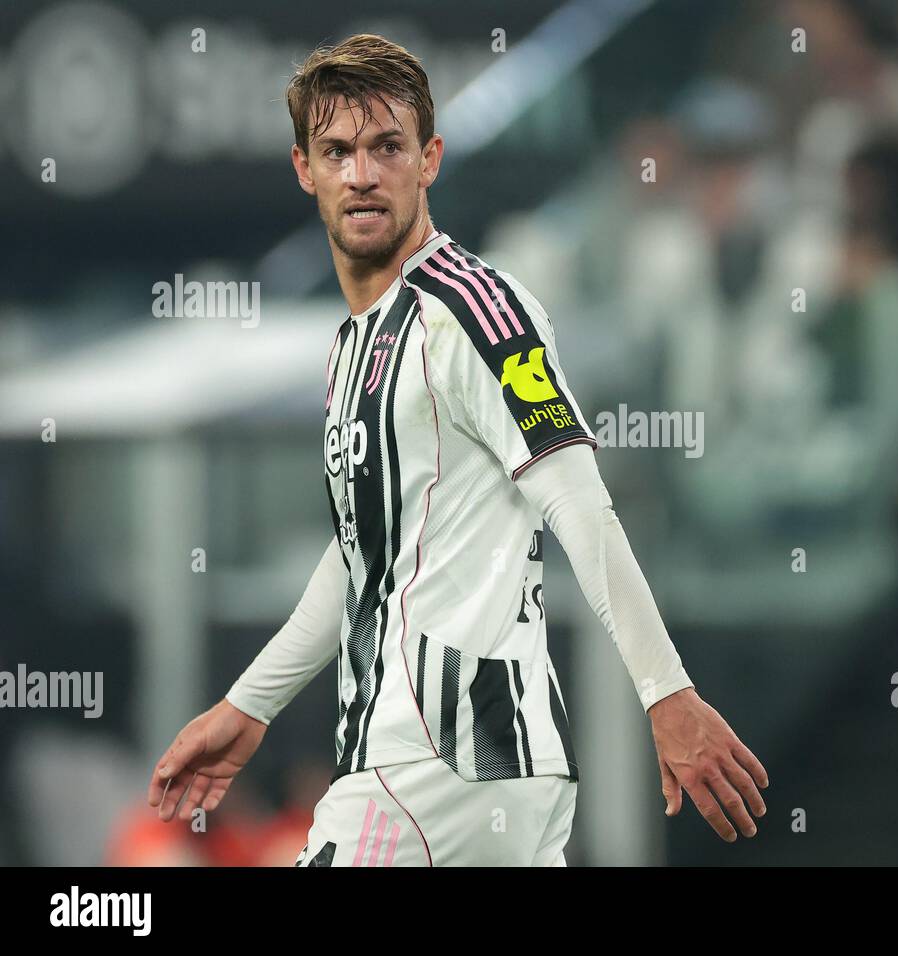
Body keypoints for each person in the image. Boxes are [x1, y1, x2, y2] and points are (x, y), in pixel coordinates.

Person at [146, 34, 767, 866]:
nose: (362, 174)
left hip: (443, 759)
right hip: (473, 770)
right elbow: (365, 553)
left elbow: (578, 499)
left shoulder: (478, 310)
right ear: (305, 169)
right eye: (338, 151)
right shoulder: (350, 347)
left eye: (386, 147)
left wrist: (668, 692)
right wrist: (248, 706)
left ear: (429, 158)